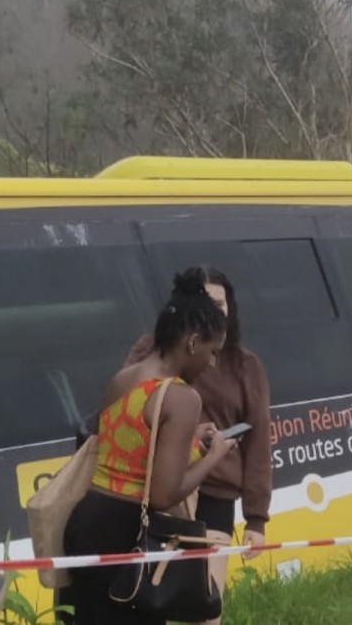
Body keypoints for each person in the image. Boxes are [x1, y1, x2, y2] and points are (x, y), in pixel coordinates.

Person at [63, 268, 240, 625]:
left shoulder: (123, 379)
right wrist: (215, 457)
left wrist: (188, 440)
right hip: (129, 533)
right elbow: (163, 495)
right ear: (192, 342)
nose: (212, 362)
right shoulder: (181, 398)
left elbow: (125, 438)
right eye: (211, 351)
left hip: (86, 521)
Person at [122, 266, 272, 625]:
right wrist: (188, 437)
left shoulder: (246, 365)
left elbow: (259, 441)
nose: (215, 312)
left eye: (221, 304)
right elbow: (126, 410)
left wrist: (256, 518)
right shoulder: (151, 351)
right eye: (207, 303)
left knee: (205, 610)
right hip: (155, 490)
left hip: (214, 496)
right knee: (143, 599)